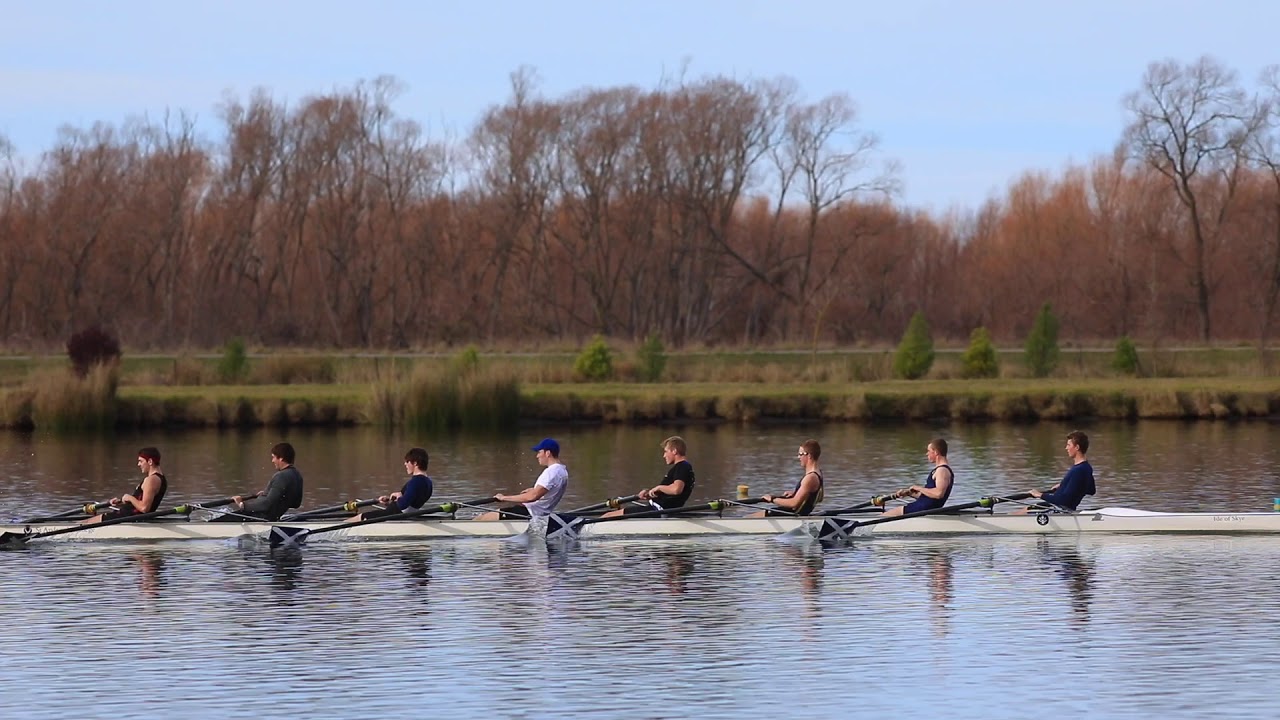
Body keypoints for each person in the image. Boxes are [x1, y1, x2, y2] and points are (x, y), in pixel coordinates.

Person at [474, 438, 568, 521]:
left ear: (547, 453)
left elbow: (531, 497)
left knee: (482, 519)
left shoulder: (550, 472)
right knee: (484, 516)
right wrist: (534, 490)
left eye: (539, 452)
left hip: (528, 513)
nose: (537, 456)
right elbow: (551, 490)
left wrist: (504, 498)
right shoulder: (562, 470)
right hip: (539, 513)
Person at [602, 436, 694, 517]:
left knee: (608, 515)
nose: (664, 455)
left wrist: (658, 488)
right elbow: (670, 493)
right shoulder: (683, 467)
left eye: (666, 451)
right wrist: (650, 493)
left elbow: (676, 490)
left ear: (674, 451)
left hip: (658, 510)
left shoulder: (682, 467)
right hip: (659, 508)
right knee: (613, 514)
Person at [216, 442, 304, 522]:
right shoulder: (297, 475)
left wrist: (242, 504)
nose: (272, 460)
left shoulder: (281, 476)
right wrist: (267, 494)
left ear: (281, 458)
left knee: (214, 523)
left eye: (273, 457)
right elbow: (295, 504)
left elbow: (267, 505)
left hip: (258, 517)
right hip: (271, 517)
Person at [80, 447, 168, 524]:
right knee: (86, 521)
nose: (138, 464)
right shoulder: (160, 479)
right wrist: (120, 503)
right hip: (129, 516)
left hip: (127, 517)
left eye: (141, 461)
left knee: (84, 523)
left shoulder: (151, 480)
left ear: (150, 461)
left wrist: (129, 497)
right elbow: (139, 504)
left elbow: (144, 508)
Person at [1015, 430, 1095, 513]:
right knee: (1026, 509)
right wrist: (1066, 485)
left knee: (1022, 512)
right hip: (1059, 507)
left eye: (1068, 445)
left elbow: (1064, 500)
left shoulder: (1078, 470)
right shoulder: (1087, 467)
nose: (1066, 448)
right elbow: (1091, 490)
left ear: (1077, 447)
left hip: (1060, 509)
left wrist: (1040, 495)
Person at [346, 447, 434, 523]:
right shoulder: (428, 482)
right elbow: (410, 504)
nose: (405, 464)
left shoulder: (416, 481)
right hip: (400, 515)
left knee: (359, 517)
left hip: (392, 516)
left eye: (407, 461)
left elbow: (404, 505)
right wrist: (391, 502)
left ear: (415, 463)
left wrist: (399, 496)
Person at [750, 439, 824, 517]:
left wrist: (772, 499)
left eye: (800, 454)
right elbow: (819, 497)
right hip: (797, 512)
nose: (798, 457)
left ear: (809, 456)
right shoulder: (818, 473)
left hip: (793, 514)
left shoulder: (810, 478)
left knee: (749, 518)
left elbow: (793, 503)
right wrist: (797, 493)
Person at [880, 438, 953, 517]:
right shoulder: (940, 470)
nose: (926, 454)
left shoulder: (942, 471)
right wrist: (909, 493)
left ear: (936, 452)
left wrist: (919, 488)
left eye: (928, 451)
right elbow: (928, 497)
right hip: (923, 507)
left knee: (883, 516)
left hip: (923, 509)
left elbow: (939, 494)